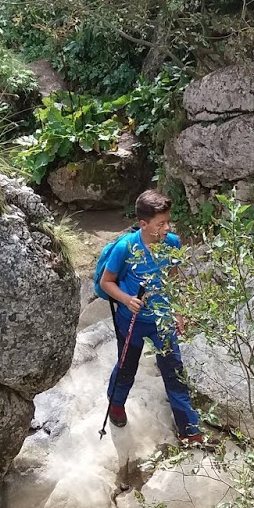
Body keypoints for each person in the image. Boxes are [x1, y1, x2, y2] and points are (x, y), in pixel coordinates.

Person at [99, 189, 203, 443]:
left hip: (162, 320)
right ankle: (116, 404)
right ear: (143, 224)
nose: (167, 227)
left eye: (168, 221)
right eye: (161, 223)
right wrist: (127, 300)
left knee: (174, 370)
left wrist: (178, 311)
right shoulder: (125, 248)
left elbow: (174, 278)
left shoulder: (172, 243)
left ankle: (189, 429)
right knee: (126, 366)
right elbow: (106, 282)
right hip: (131, 320)